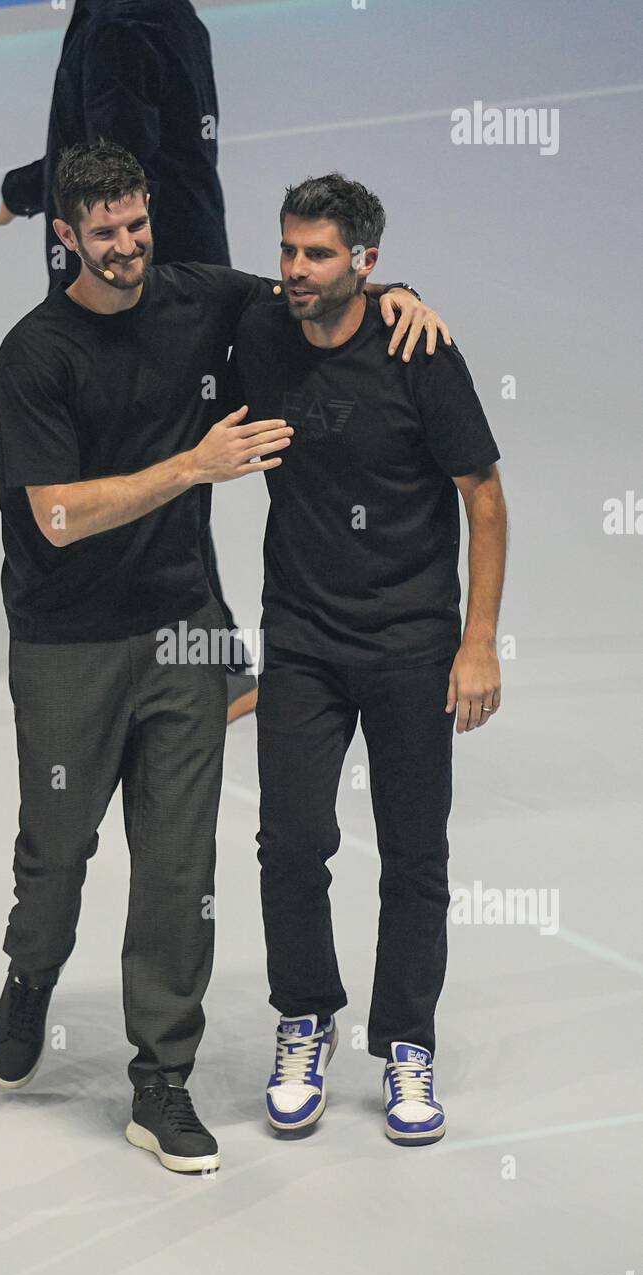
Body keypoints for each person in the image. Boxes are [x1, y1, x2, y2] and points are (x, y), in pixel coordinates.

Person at [0, 141, 444, 1172]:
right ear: (64, 239)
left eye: (136, 223)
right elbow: (55, 517)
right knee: (56, 858)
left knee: (179, 866)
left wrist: (394, 290)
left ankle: (161, 1080)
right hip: (64, 640)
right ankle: (30, 972)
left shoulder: (201, 300)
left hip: (184, 633)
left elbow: (315, 298)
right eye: (102, 232)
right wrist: (190, 466)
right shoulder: (35, 353)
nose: (126, 245)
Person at [228, 173, 507, 1146]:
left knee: (413, 855)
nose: (294, 270)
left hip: (408, 643)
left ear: (364, 262)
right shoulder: (262, 328)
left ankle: (403, 1044)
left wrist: (476, 643)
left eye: (316, 254)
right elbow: (177, 293)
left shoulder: (418, 348)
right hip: (301, 638)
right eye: (287, 250)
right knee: (291, 844)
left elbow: (481, 495)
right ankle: (303, 1016)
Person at [0, 0, 256, 718]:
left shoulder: (115, 27)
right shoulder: (168, 13)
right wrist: (24, 193)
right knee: (170, 463)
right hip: (177, 277)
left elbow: (112, 172)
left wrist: (65, 217)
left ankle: (210, 667)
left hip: (140, 296)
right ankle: (214, 660)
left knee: (156, 466)